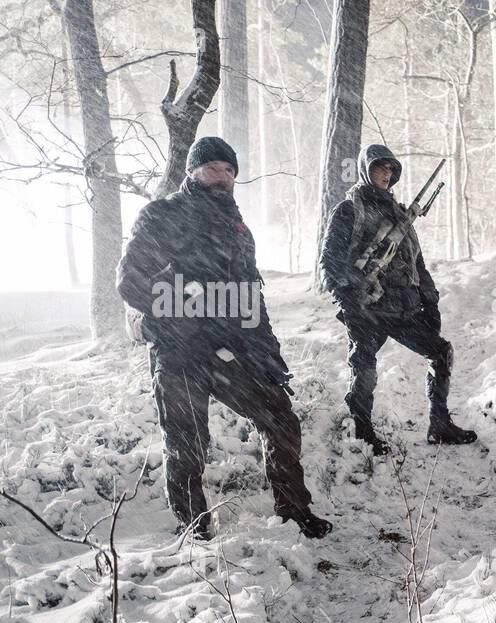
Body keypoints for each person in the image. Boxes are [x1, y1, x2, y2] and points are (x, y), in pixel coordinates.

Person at [116, 136, 332, 541]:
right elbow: (131, 281)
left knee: (280, 419)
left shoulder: (238, 228)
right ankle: (195, 532)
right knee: (187, 446)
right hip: (181, 353)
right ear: (192, 172)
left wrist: (269, 356)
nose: (222, 177)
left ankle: (294, 511)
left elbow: (251, 297)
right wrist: (179, 320)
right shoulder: (163, 215)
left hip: (231, 351)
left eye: (229, 171)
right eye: (212, 168)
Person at [319, 143, 477, 453]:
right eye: (380, 167)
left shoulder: (399, 214)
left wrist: (429, 301)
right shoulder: (350, 208)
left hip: (402, 307)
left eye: (391, 169)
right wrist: (347, 298)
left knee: (440, 352)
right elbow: (330, 260)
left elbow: (416, 261)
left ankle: (439, 423)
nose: (386, 173)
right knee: (363, 367)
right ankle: (363, 434)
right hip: (365, 305)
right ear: (366, 169)